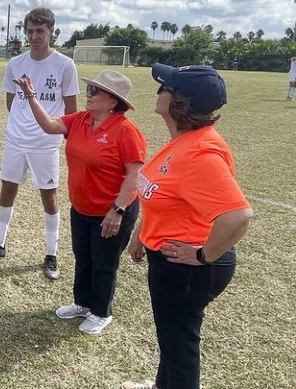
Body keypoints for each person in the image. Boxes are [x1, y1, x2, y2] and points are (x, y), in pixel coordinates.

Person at [124, 64, 253, 389]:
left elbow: (237, 215)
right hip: (171, 260)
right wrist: (141, 232)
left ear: (180, 101)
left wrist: (202, 256)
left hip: (187, 267)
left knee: (180, 347)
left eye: (164, 86)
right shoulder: (183, 140)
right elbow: (166, 196)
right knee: (172, 339)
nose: (158, 92)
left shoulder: (199, 152)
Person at [14, 69, 146, 335]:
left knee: (104, 262)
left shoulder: (125, 131)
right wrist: (30, 95)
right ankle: (83, 303)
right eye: (89, 89)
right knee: (83, 257)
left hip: (112, 210)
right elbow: (50, 125)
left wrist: (117, 210)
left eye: (95, 91)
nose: (89, 94)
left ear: (113, 101)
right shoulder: (81, 120)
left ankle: (101, 312)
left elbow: (135, 175)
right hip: (82, 207)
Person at [0, 7, 79, 281]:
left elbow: (71, 110)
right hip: (15, 140)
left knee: (49, 195)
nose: (34, 36)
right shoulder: (16, 63)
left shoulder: (64, 65)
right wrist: (22, 123)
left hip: (45, 143)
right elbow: (11, 102)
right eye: (30, 31)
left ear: (51, 32)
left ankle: (51, 253)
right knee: (8, 188)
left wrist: (52, 133)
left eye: (40, 31)